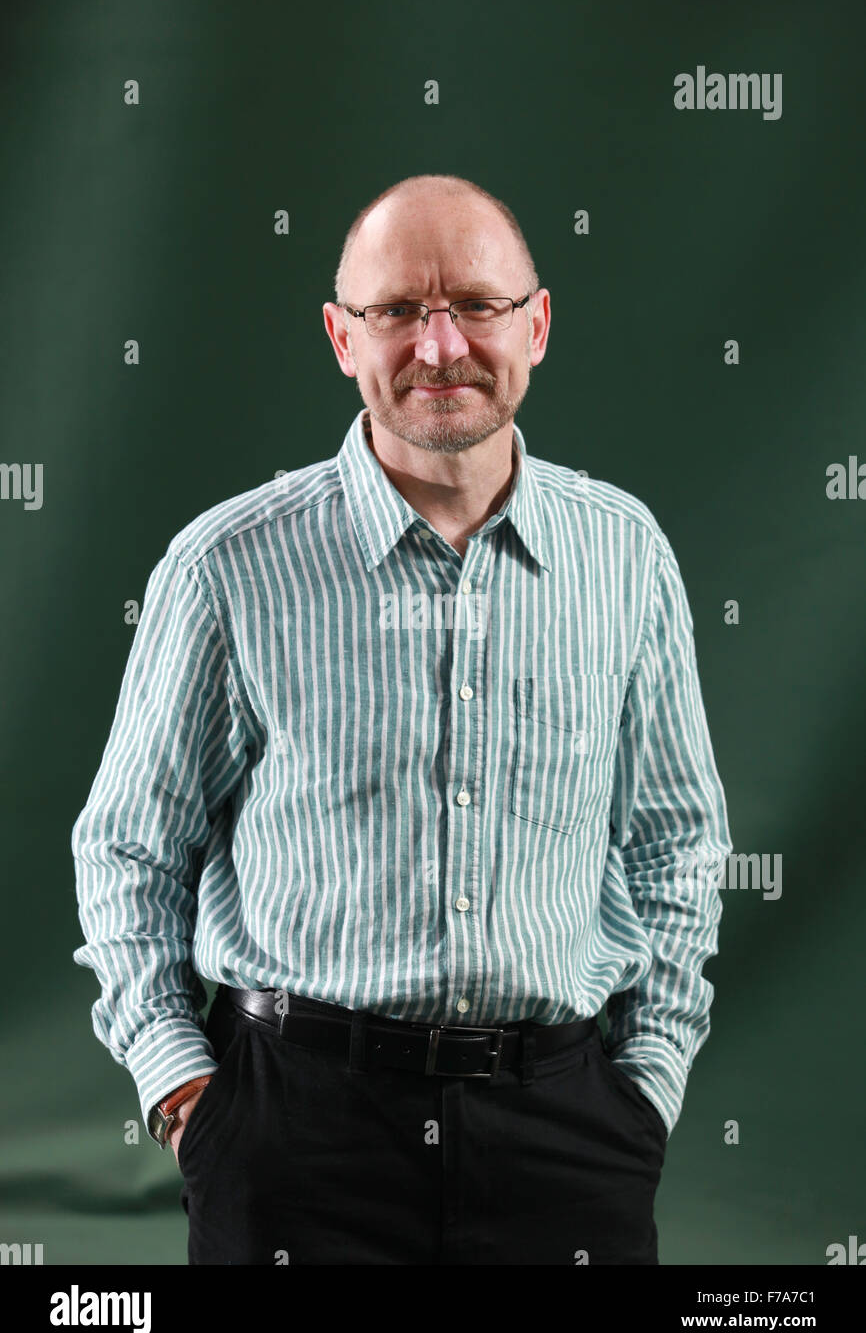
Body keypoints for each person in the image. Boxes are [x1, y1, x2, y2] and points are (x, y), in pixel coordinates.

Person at [72, 172, 733, 1265]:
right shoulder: (226, 567)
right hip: (293, 1138)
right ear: (341, 337)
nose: (439, 347)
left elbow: (675, 841)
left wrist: (646, 1086)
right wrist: (185, 1090)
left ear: (537, 324)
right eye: (396, 312)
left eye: (474, 303)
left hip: (565, 1135)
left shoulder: (625, 555)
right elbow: (129, 849)